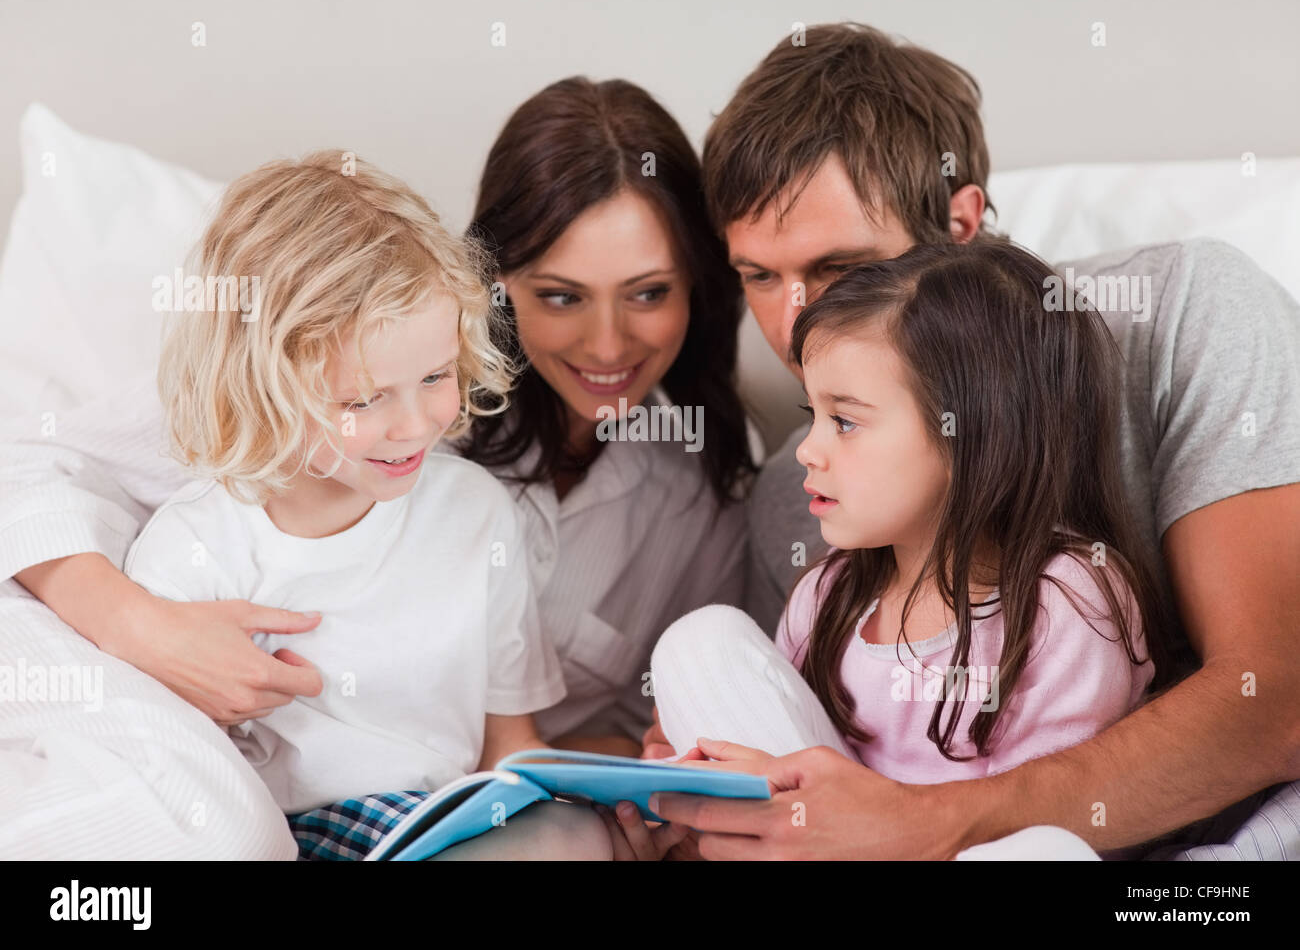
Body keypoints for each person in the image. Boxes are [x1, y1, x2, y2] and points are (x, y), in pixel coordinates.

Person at [644, 22, 1300, 860]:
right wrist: (704, 785)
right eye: (758, 276)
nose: (794, 321)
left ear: (961, 223)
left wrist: (915, 826)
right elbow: (822, 756)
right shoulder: (801, 496)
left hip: (1177, 848)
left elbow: (1276, 699)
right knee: (700, 648)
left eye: (841, 268)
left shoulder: (1186, 316)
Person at [124, 150, 627, 859]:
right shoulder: (197, 548)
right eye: (363, 400)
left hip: (450, 819)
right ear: (263, 383)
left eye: (434, 376)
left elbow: (508, 744)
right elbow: (170, 776)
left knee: (579, 837)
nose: (415, 423)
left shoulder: (476, 511)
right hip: (293, 830)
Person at [652, 239, 1169, 861]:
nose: (807, 451)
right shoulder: (828, 595)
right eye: (811, 415)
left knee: (1050, 851)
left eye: (844, 421)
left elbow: (1034, 811)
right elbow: (793, 766)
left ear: (973, 433)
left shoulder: (1067, 598)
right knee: (698, 641)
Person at [455, 76, 755, 761]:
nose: (610, 346)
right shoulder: (396, 401)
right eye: (563, 298)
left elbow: (646, 735)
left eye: (648, 293)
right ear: (495, 280)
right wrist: (152, 625)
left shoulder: (702, 497)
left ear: (698, 285)